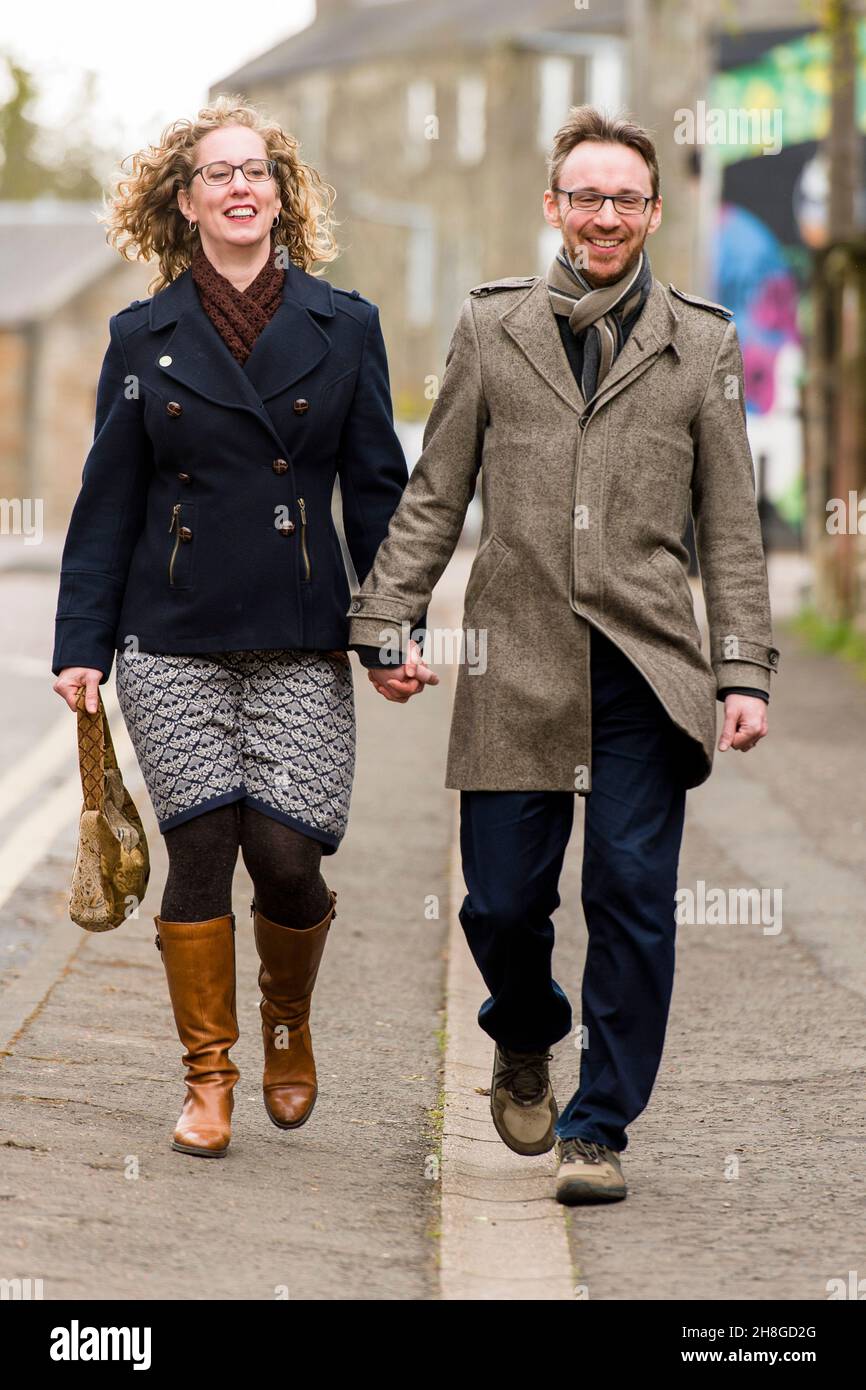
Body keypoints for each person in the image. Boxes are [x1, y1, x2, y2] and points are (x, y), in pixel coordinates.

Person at [346, 106, 780, 1205]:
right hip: (517, 659)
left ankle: (598, 1129)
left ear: (652, 212)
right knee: (498, 905)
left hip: (647, 666)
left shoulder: (702, 341)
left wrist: (740, 668)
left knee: (631, 892)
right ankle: (527, 1029)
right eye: (585, 197)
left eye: (624, 198)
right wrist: (387, 618)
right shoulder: (491, 327)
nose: (604, 216)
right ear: (554, 206)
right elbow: (435, 493)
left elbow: (731, 523)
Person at [51, 96, 429, 1159]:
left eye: (256, 170)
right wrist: (81, 645)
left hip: (299, 631)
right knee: (203, 847)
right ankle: (207, 1076)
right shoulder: (143, 336)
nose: (239, 187)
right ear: (184, 201)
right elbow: (106, 502)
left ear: (279, 192)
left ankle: (286, 1017)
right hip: (170, 634)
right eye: (217, 173)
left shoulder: (344, 325)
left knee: (288, 854)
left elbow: (377, 495)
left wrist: (389, 631)